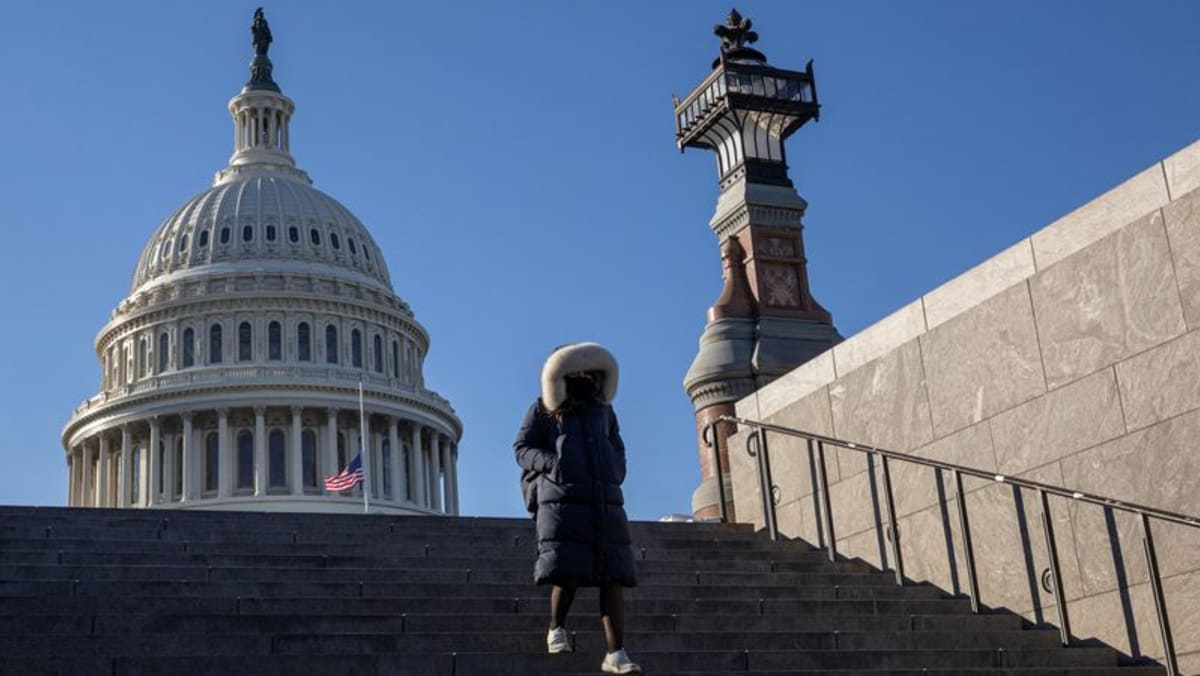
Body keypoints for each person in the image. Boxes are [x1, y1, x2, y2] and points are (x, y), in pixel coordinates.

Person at [514, 342, 640, 674]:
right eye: (577, 371)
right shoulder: (542, 409)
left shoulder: (604, 411)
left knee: (613, 577)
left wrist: (616, 468)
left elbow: (616, 444)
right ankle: (557, 626)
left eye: (589, 371)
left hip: (604, 500)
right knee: (568, 572)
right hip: (563, 501)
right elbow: (522, 448)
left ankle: (617, 653)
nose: (584, 377)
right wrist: (553, 464)